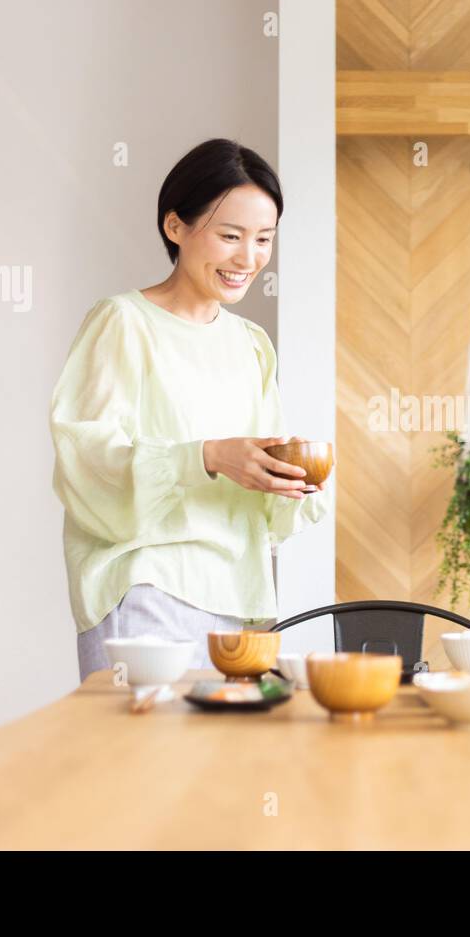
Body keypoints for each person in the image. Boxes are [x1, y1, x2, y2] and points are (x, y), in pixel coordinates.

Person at [51, 139, 329, 682]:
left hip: (239, 600)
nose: (248, 258)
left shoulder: (251, 344)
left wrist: (285, 477)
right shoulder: (123, 323)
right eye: (230, 236)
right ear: (175, 226)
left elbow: (264, 497)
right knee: (144, 763)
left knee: (215, 768)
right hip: (147, 590)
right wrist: (205, 457)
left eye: (263, 239)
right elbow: (84, 462)